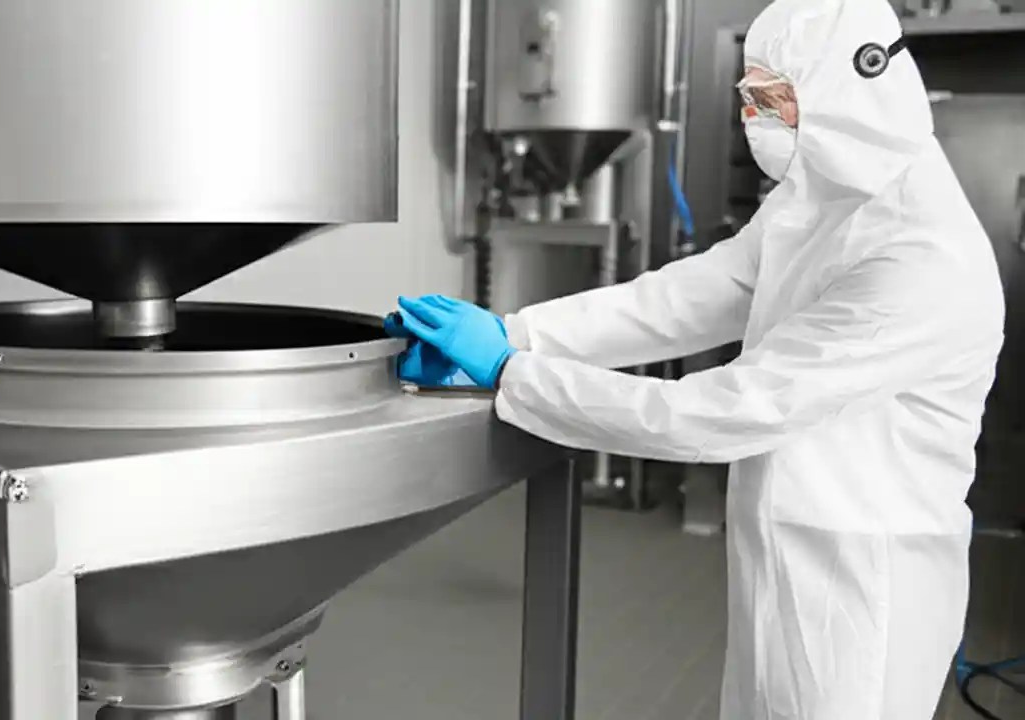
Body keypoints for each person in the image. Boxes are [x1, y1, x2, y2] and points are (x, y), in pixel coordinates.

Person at [392, 0, 1006, 717]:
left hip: (865, 578)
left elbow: (721, 412)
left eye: (775, 100)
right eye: (753, 99)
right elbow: (689, 296)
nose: (758, 124)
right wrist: (516, 329)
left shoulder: (922, 259)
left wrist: (512, 373)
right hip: (778, 546)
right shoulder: (822, 190)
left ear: (853, 83)